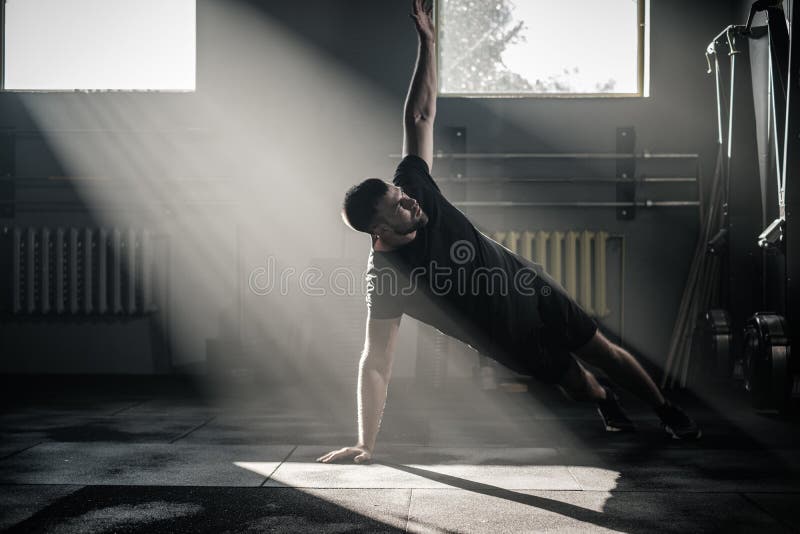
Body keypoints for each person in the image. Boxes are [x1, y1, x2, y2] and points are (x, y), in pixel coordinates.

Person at [317, 0, 700, 465]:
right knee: (579, 385)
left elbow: (418, 117)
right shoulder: (386, 278)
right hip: (509, 341)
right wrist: (366, 442)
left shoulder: (416, 185)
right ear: (379, 229)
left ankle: (665, 409)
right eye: (399, 205)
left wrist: (429, 43)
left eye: (403, 193)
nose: (410, 199)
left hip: (529, 285)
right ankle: (605, 402)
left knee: (603, 351)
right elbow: (375, 362)